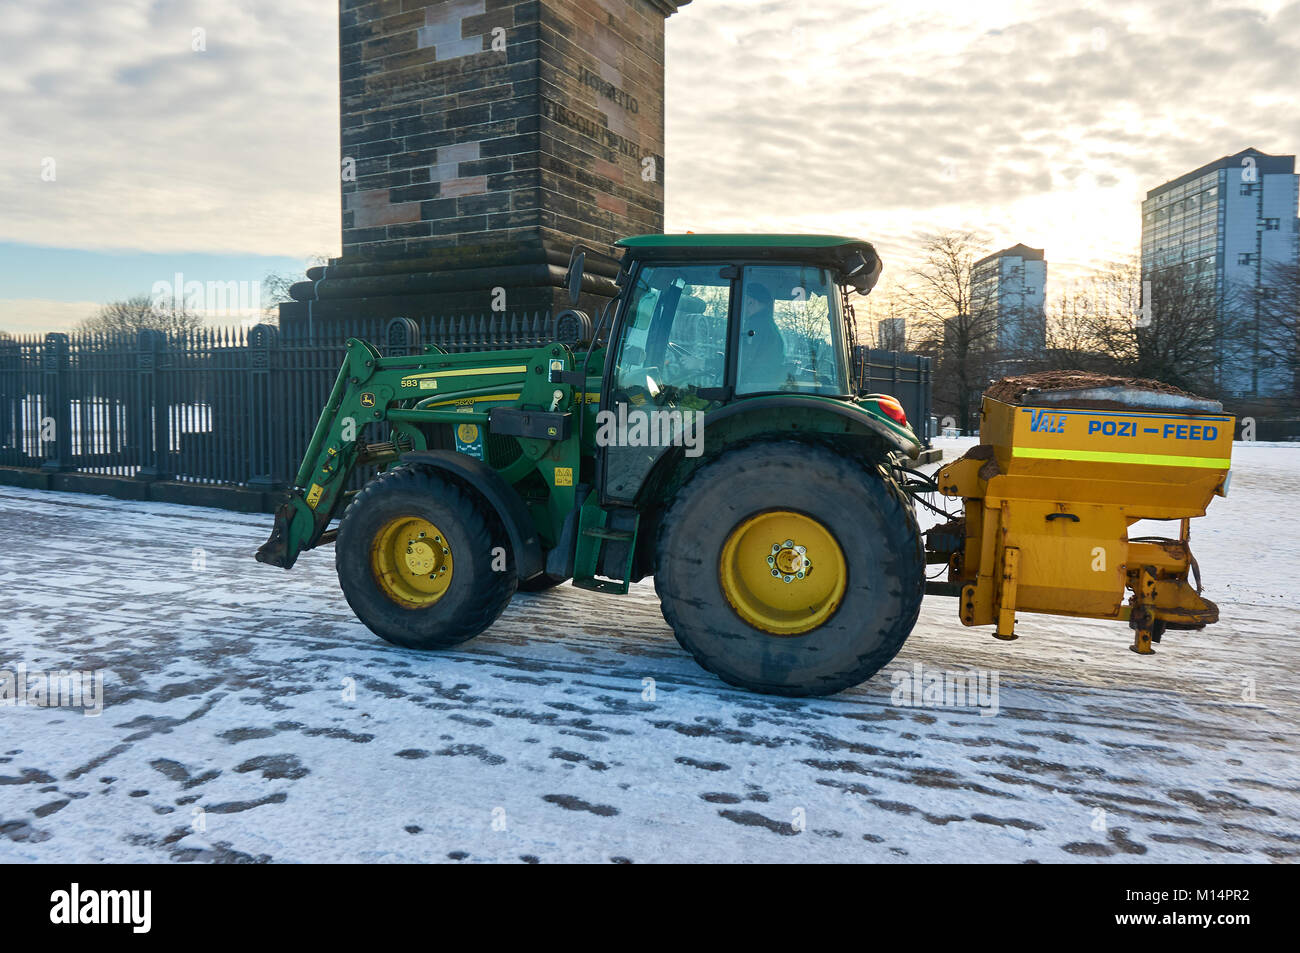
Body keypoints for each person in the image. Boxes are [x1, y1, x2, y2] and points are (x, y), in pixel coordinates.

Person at [739, 283, 786, 390]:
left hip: (751, 387)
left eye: (743, 301)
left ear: (751, 301)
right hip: (764, 385)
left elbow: (743, 360)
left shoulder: (756, 325)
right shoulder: (768, 325)